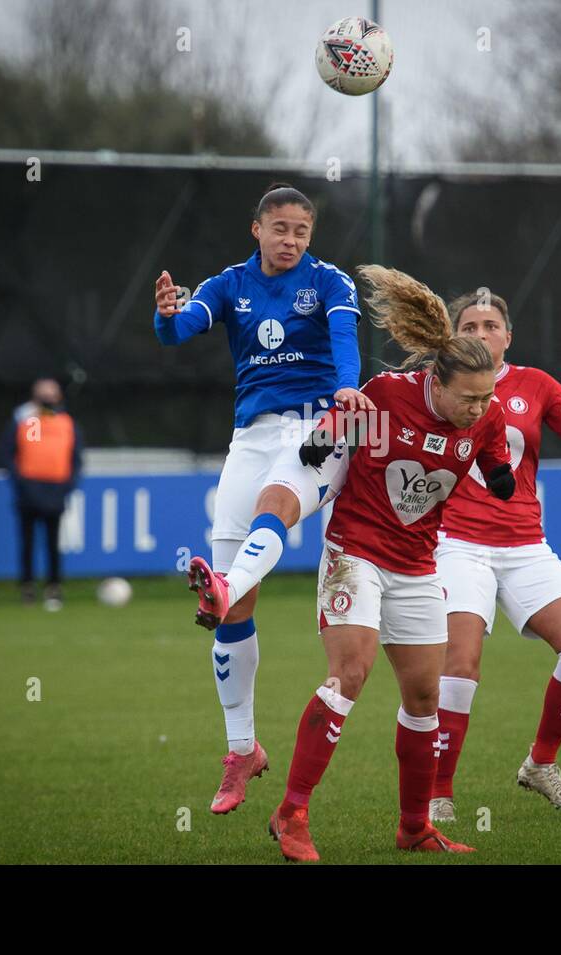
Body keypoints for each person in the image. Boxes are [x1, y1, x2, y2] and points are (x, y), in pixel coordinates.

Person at [266, 265, 515, 862]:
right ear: (435, 380)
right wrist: (322, 438)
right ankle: (291, 813)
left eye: (487, 397)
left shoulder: (486, 418)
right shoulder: (387, 396)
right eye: (469, 397)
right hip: (355, 553)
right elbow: (326, 441)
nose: (479, 407)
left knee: (426, 696)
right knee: (349, 675)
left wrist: (504, 477)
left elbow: (500, 474)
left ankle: (413, 827)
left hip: (418, 564)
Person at [153, 183, 373, 815]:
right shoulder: (229, 285)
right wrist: (168, 313)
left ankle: (220, 584)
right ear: (257, 229)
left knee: (275, 506)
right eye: (280, 229)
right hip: (249, 437)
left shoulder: (329, 282)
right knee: (233, 611)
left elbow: (343, 342)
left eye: (301, 231)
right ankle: (242, 749)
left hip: (315, 426)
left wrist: (347, 392)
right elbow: (181, 330)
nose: (291, 240)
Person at [427, 291, 561, 824]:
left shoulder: (537, 385)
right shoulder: (438, 383)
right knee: (459, 667)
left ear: (509, 336)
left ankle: (540, 765)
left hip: (526, 543)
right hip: (457, 544)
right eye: (470, 325)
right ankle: (438, 793)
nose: (481, 333)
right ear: (454, 335)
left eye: (491, 325)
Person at [0, 378, 83, 612]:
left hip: (55, 490)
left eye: (52, 394)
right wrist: (21, 482)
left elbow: (75, 458)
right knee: (27, 541)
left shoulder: (66, 423)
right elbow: (7, 454)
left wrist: (67, 484)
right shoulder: (25, 421)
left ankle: (53, 587)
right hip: (28, 491)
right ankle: (27, 587)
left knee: (53, 542)